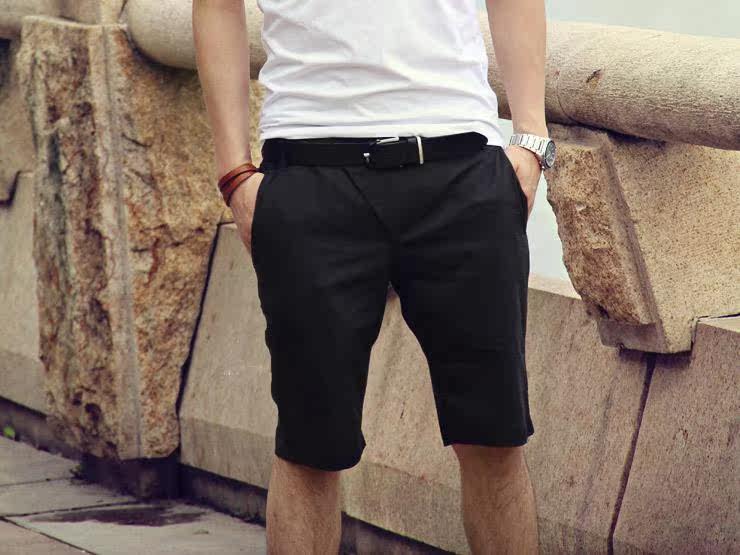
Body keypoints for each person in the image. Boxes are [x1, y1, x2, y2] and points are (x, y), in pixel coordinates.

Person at [193, 0, 555, 552]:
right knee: (309, 446)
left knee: (495, 436)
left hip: (460, 167)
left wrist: (530, 139)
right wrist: (234, 174)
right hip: (309, 170)